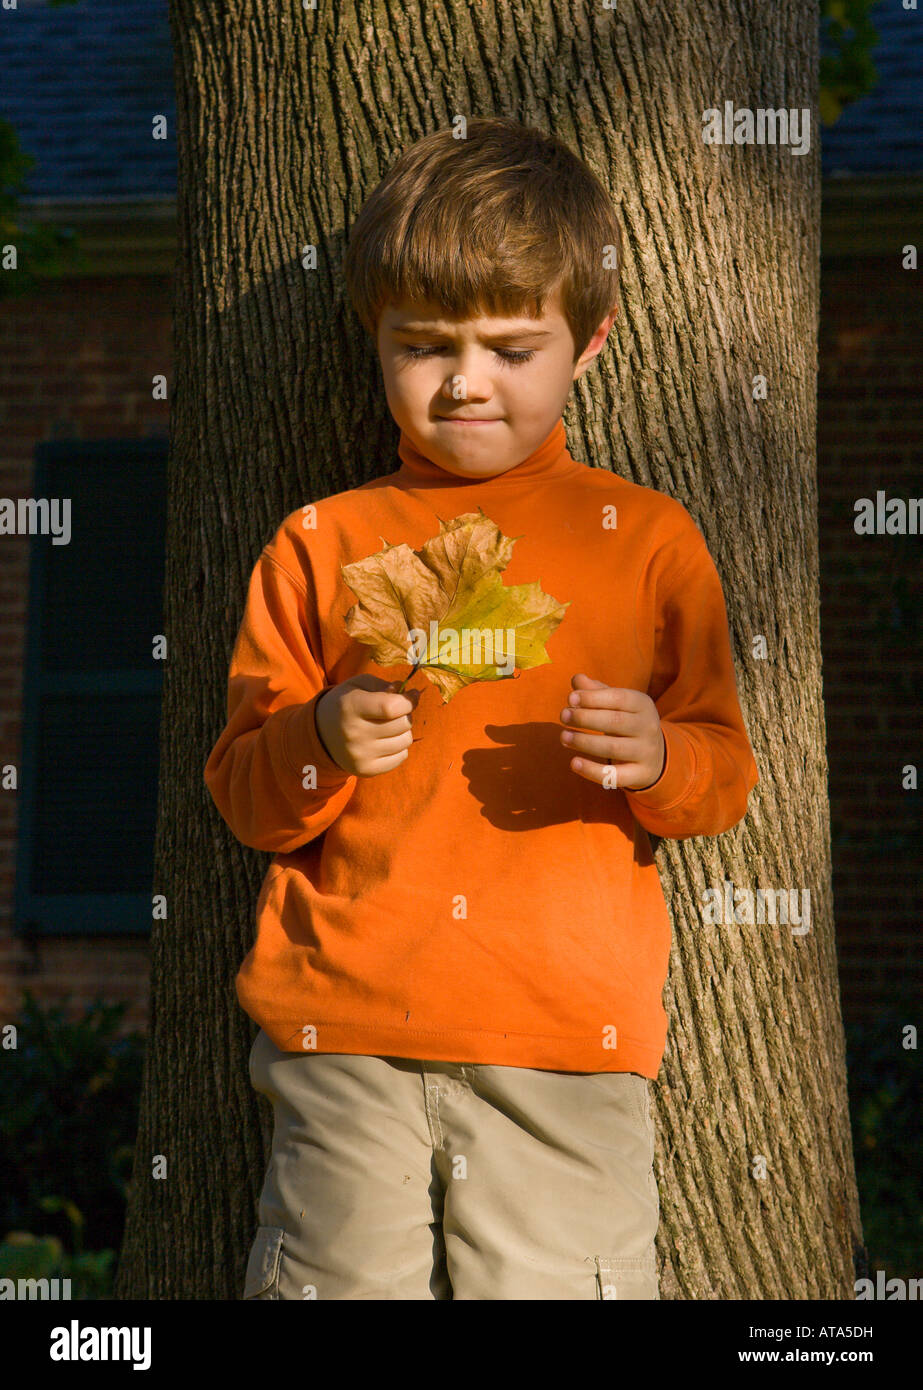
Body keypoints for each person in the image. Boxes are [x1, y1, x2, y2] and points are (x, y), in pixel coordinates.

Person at [204, 115, 759, 1300]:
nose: (465, 380)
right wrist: (320, 735)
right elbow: (245, 792)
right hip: (343, 1030)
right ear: (376, 339)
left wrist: (659, 753)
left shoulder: (647, 540)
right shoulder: (319, 544)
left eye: (512, 347)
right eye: (425, 344)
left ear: (589, 343)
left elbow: (723, 772)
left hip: (566, 1038)